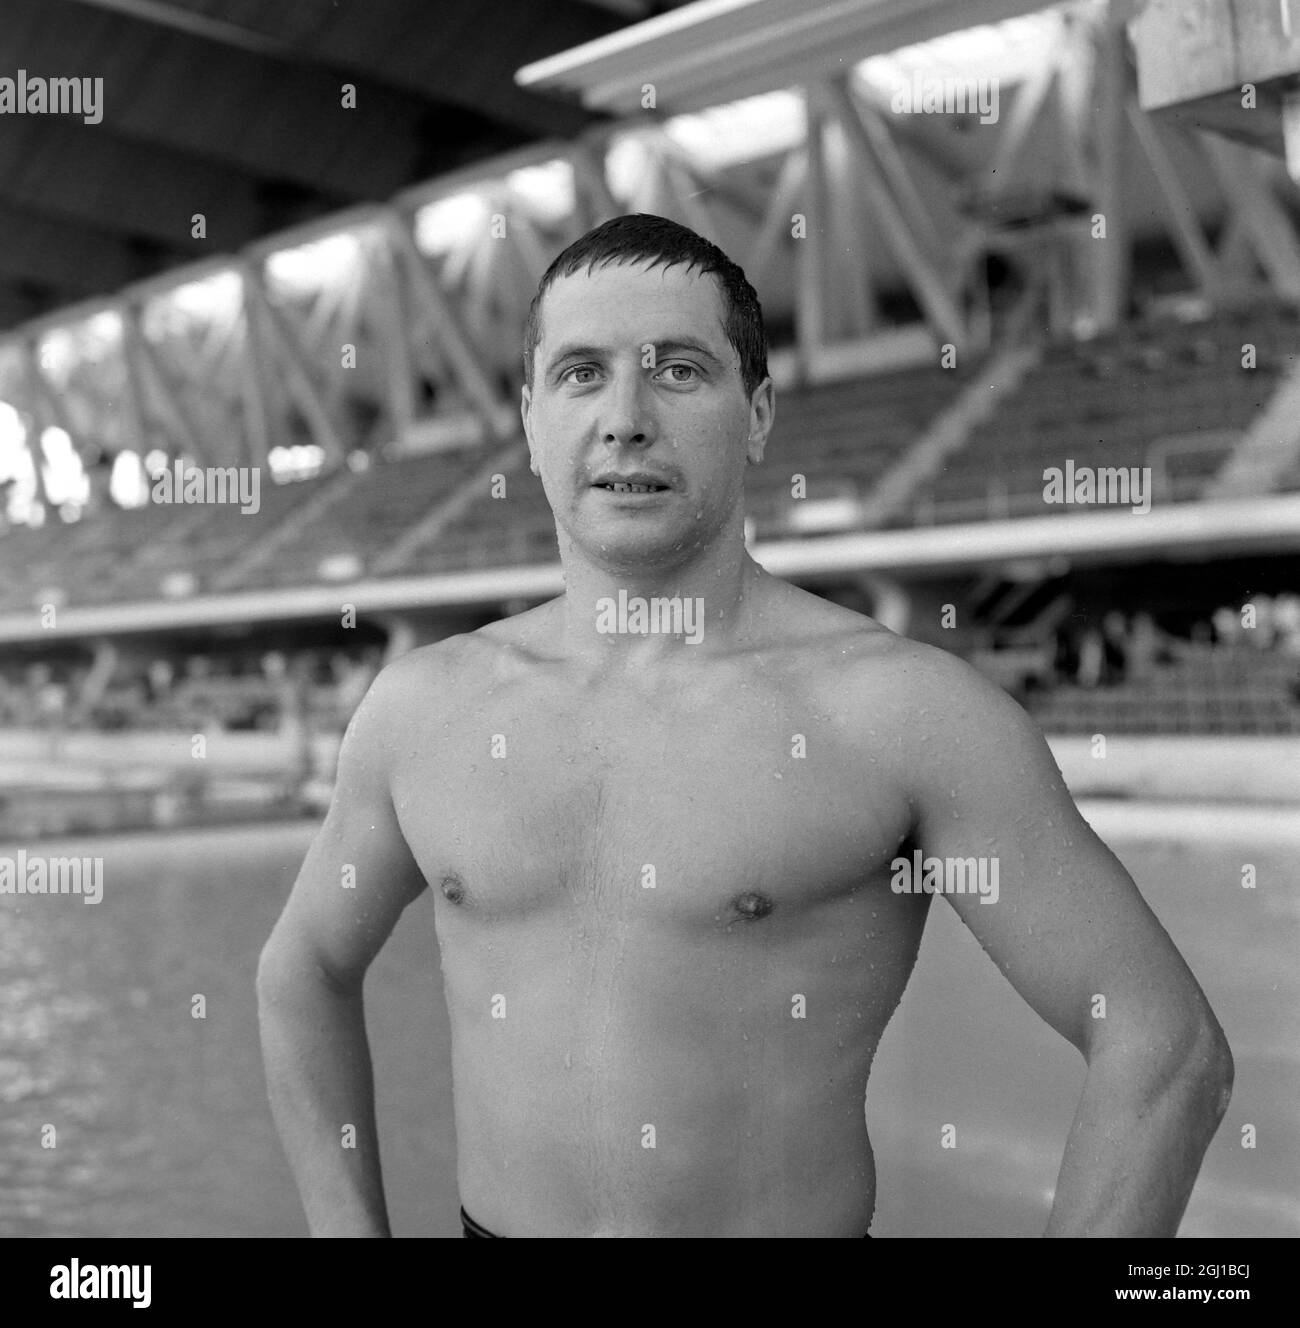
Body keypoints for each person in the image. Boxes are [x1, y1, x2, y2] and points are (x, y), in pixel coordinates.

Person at [257, 214, 1233, 1238]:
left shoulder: (900, 713)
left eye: (678, 370)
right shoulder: (423, 711)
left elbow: (1164, 1045)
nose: (625, 417)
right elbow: (301, 968)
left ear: (757, 412)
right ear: (532, 417)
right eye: (582, 373)